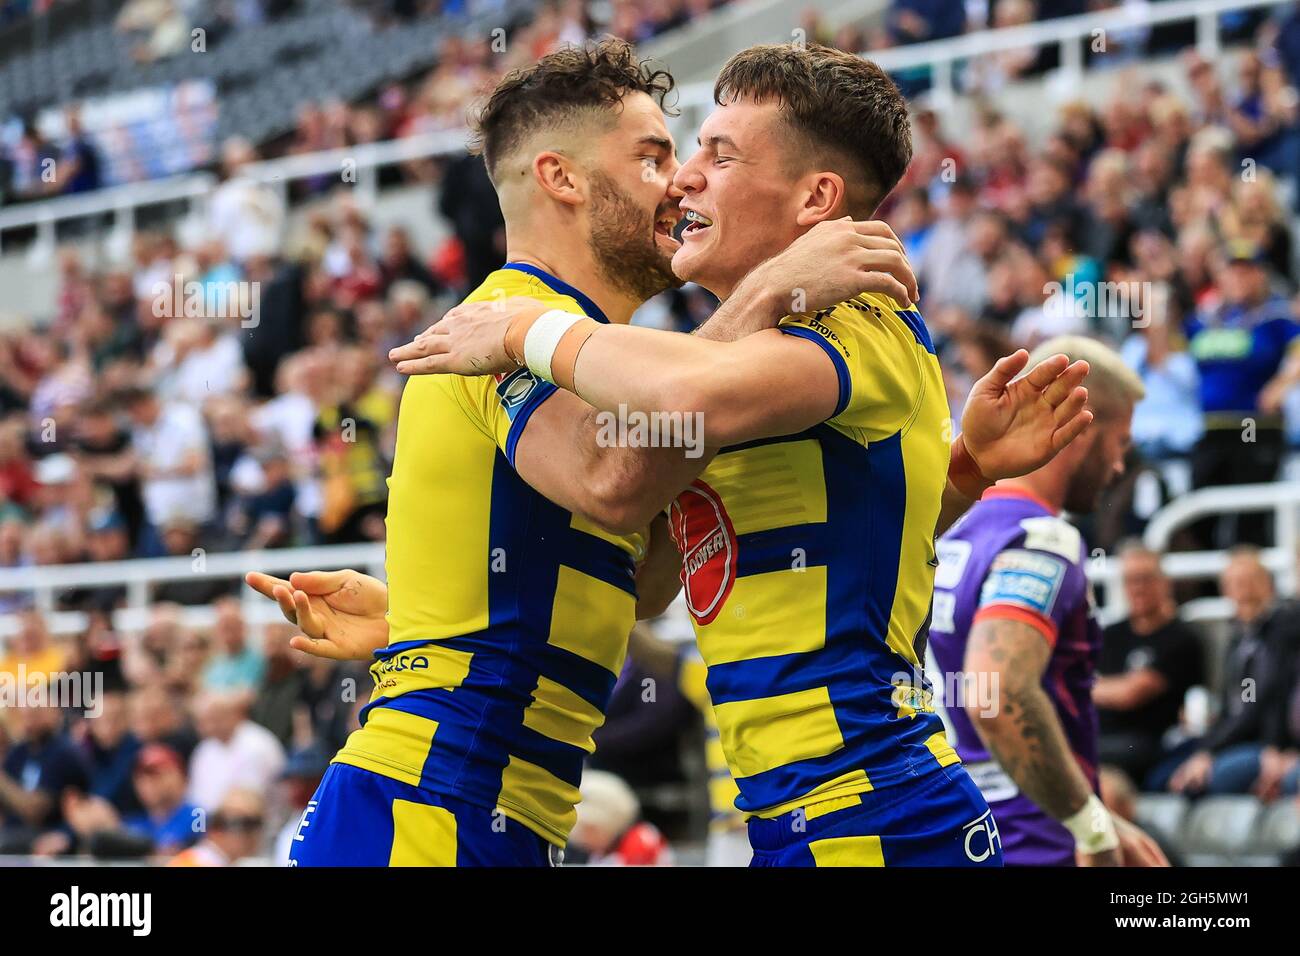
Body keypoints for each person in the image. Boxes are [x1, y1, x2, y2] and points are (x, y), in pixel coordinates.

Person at [250, 40, 1087, 867]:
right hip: (438, 803)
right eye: (658, 156)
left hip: (856, 812)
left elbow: (667, 542)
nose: (680, 178)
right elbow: (633, 503)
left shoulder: (773, 333)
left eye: (707, 156)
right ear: (563, 178)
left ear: (815, 198)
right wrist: (426, 621)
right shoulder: (501, 326)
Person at [928, 336, 1168, 867]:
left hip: (961, 831)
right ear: (1080, 430)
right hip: (1036, 843)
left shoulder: (946, 531)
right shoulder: (1041, 538)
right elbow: (998, 691)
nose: (1120, 466)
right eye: (1120, 443)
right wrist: (1089, 825)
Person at [1159, 547, 1300, 798]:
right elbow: (1239, 705)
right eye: (1235, 584)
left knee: (1208, 779)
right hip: (1245, 738)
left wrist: (1211, 751)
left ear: (1268, 585)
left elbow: (1259, 701)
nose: (1243, 591)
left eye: (1249, 582)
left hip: (1265, 742)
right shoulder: (1240, 639)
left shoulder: (1280, 631)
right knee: (1166, 771)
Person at [1094, 543, 1205, 785]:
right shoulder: (1111, 634)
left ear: (1164, 582)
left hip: (1149, 742)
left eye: (1145, 579)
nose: (1138, 588)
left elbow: (1131, 694)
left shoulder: (1180, 637)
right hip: (1103, 737)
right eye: (1130, 580)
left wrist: (1093, 686)